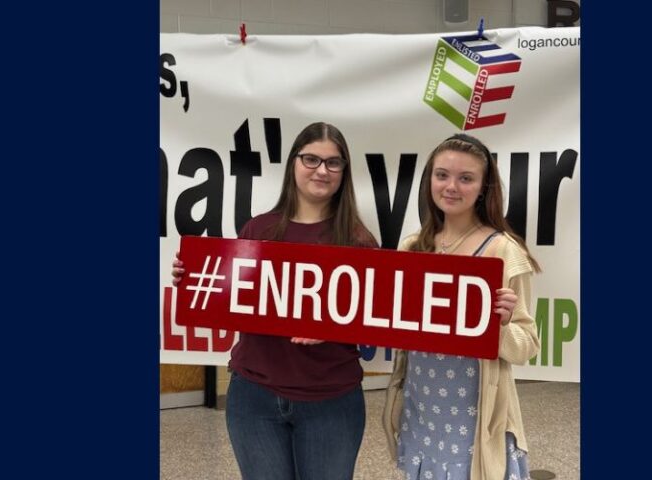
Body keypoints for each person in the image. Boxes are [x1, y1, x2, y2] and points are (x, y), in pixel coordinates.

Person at [172, 122, 379, 480]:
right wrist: (193, 278)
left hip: (331, 400)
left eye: (333, 163)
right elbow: (233, 298)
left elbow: (377, 323)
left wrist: (334, 324)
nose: (321, 170)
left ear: (344, 172)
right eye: (311, 159)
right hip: (254, 397)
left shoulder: (360, 242)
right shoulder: (258, 230)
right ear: (294, 164)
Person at [382, 134, 541, 480]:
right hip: (421, 406)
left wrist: (501, 325)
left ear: (483, 187)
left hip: (474, 415)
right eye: (442, 175)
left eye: (465, 178)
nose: (451, 186)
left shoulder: (502, 251)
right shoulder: (413, 247)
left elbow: (527, 344)